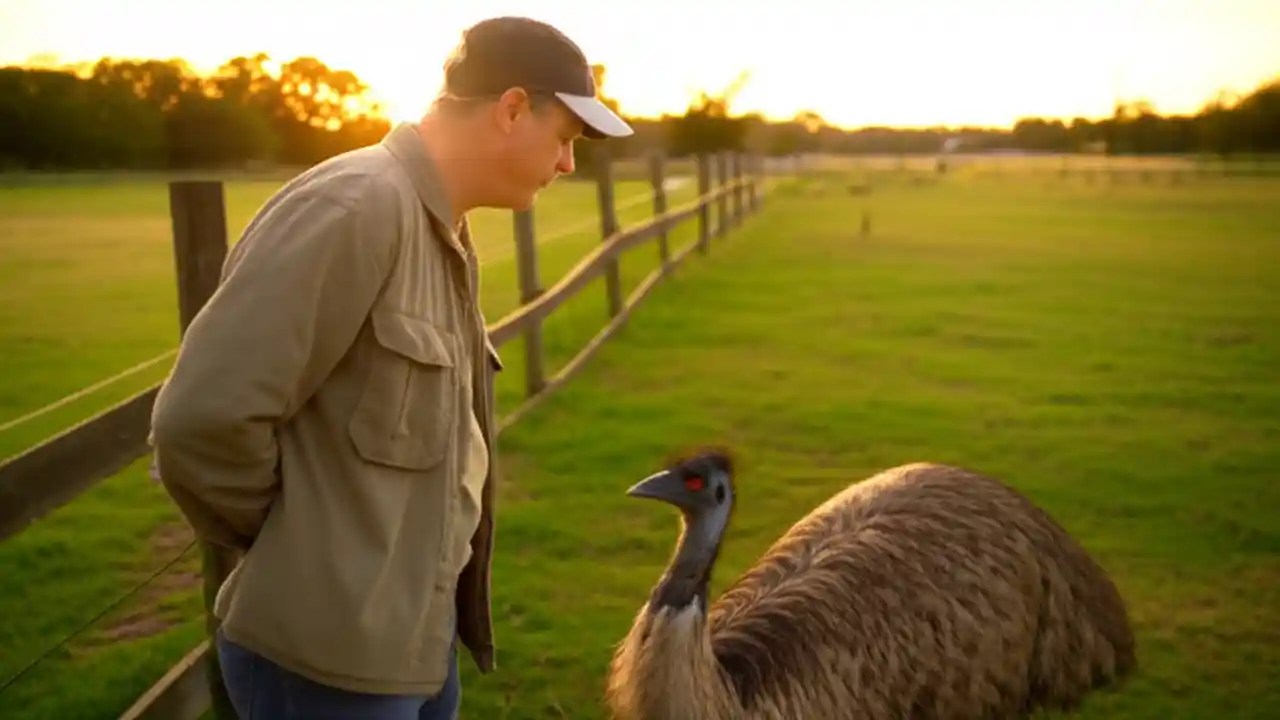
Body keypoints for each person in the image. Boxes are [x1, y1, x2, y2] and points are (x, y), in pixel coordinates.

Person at [148, 15, 632, 720]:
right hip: (327, 665)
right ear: (513, 108)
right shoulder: (356, 208)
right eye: (563, 139)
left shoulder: (437, 223)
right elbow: (201, 422)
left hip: (414, 647)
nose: (567, 165)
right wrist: (306, 548)